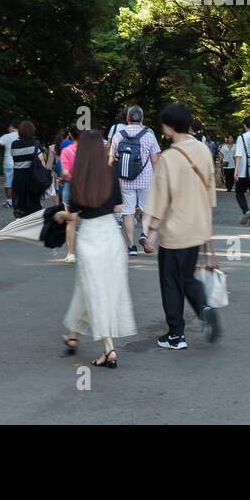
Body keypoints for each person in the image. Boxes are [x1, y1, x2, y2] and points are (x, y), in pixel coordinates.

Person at [142, 102, 221, 349]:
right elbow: (210, 189)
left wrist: (149, 232)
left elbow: (159, 201)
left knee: (170, 282)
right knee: (186, 277)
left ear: (168, 127)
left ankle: (176, 334)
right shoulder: (202, 150)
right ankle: (203, 307)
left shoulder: (168, 158)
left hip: (174, 230)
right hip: (198, 226)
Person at [57, 130, 134, 368]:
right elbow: (119, 207)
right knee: (94, 290)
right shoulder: (110, 173)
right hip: (111, 238)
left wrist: (62, 215)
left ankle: (109, 349)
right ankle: (73, 336)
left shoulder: (79, 177)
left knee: (94, 292)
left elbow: (76, 216)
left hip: (90, 239)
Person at [110, 106, 160, 256]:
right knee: (146, 210)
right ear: (142, 119)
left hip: (125, 179)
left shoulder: (119, 134)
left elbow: (111, 158)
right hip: (145, 179)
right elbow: (155, 160)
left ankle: (131, 246)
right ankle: (144, 234)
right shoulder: (149, 135)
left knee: (128, 213)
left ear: (127, 118)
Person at [9, 121, 43, 217]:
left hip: (18, 177)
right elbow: (41, 161)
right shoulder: (35, 144)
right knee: (34, 203)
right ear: (32, 131)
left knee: (20, 204)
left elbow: (13, 157)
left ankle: (20, 223)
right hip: (32, 177)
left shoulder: (14, 144)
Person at [59, 130, 79, 262]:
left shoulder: (66, 150)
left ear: (71, 135)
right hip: (87, 186)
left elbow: (65, 172)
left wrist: (62, 178)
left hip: (70, 185)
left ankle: (71, 254)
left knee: (70, 221)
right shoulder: (90, 152)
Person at [0, 122, 20, 208]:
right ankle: (20, 200)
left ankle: (9, 201)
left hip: (9, 162)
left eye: (8, 127)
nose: (8, 129)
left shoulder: (7, 136)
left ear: (11, 127)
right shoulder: (23, 135)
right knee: (20, 182)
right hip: (20, 162)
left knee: (8, 182)